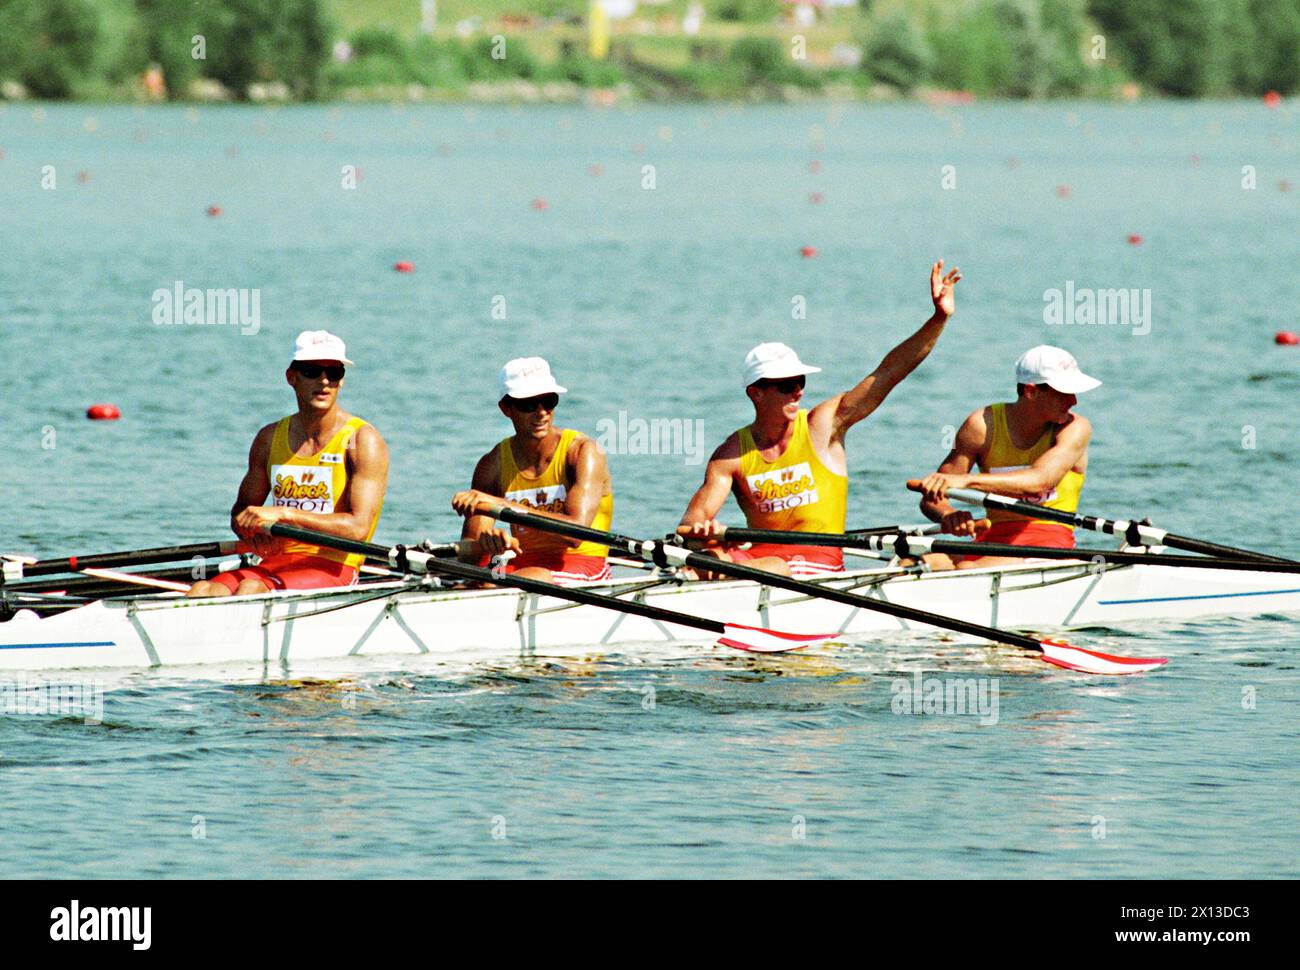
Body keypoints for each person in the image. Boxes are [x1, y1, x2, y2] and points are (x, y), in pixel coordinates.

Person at [677, 259, 962, 578]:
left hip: (817, 565)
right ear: (755, 393)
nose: (797, 393)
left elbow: (888, 373)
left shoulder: (822, 427)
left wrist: (938, 318)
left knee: (763, 566)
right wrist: (702, 535)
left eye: (800, 383)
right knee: (709, 558)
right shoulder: (730, 455)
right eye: (786, 386)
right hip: (760, 562)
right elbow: (689, 526)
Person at [187, 331, 389, 596]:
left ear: (341, 381)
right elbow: (240, 513)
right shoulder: (269, 438)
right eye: (312, 371)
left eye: (334, 372)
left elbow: (358, 528)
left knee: (250, 588)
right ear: (291, 377)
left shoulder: (362, 440)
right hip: (275, 562)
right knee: (202, 588)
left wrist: (284, 514)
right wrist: (251, 531)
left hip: (333, 566)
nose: (324, 381)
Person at [914, 344, 1098, 570]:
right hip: (991, 541)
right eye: (1063, 393)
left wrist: (968, 481)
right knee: (912, 563)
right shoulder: (982, 425)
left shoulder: (1075, 428)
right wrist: (948, 514)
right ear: (1031, 391)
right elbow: (933, 495)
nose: (1073, 401)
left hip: (1049, 544)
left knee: (967, 570)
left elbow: (1040, 481)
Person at [451, 357, 614, 585]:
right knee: (473, 579)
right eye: (528, 404)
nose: (541, 413)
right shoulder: (492, 464)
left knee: (493, 583)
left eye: (548, 401)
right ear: (506, 408)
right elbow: (468, 554)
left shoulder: (583, 452)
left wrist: (503, 505)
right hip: (521, 565)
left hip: (582, 564)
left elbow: (575, 534)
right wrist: (489, 543)